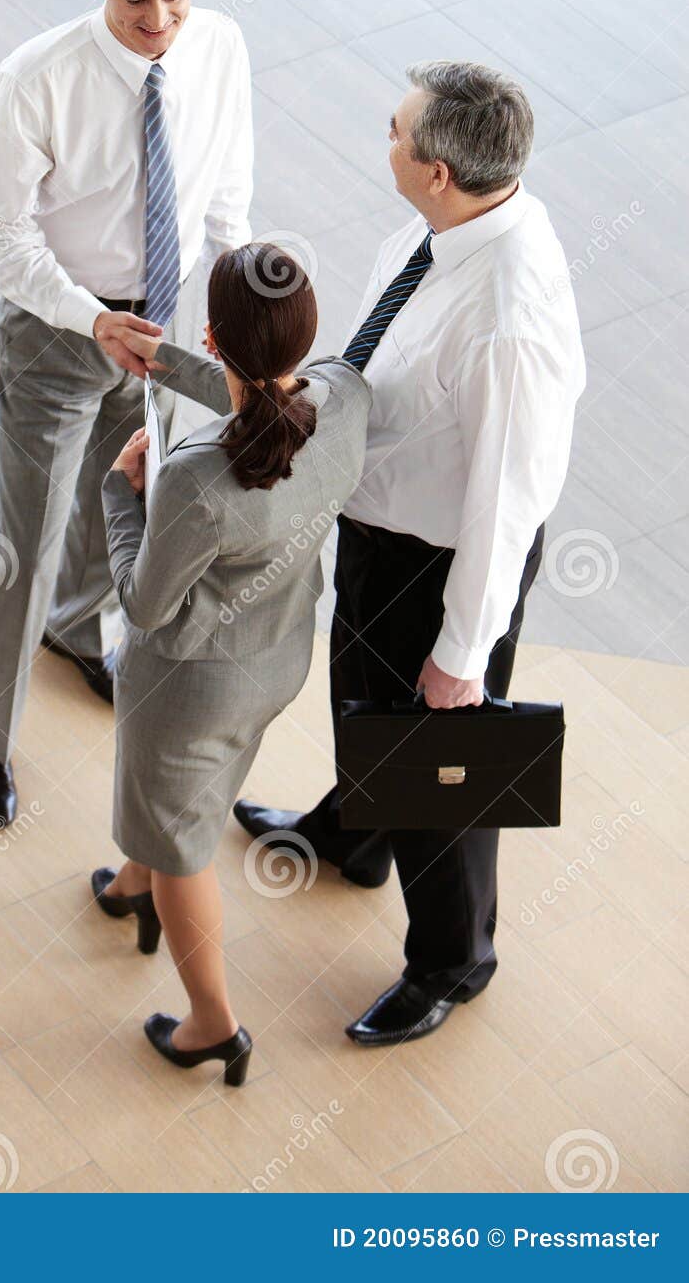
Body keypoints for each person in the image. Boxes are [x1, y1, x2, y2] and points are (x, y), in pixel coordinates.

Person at [235, 61, 586, 1047]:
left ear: (436, 171)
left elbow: (508, 497)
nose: (381, 139)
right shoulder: (449, 226)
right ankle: (349, 836)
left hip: (441, 562)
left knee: (440, 763)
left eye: (394, 131)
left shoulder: (505, 316)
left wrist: (461, 653)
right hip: (384, 531)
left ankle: (450, 960)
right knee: (365, 705)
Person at [0, 0, 254, 826]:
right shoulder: (37, 77)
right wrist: (91, 320)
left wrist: (228, 291)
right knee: (29, 538)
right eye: (134, 1)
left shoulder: (221, 46)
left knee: (121, 496)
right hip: (57, 334)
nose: (158, 21)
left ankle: (78, 634)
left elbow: (226, 180)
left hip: (158, 331)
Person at [91, 244, 371, 1086]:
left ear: (213, 339)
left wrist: (118, 491)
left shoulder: (192, 480)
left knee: (186, 849)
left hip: (186, 690)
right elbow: (270, 397)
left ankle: (212, 1024)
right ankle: (134, 881)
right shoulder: (344, 396)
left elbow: (144, 606)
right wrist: (165, 364)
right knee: (179, 807)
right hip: (275, 661)